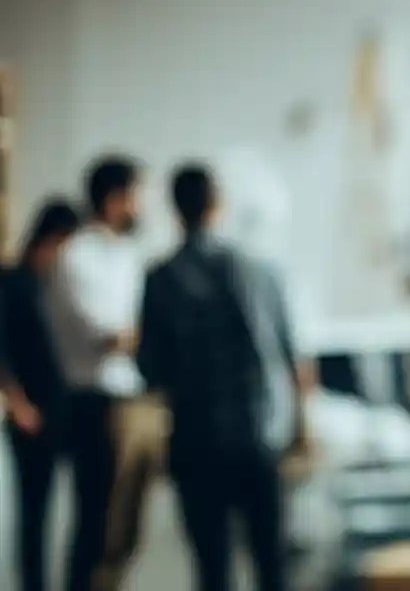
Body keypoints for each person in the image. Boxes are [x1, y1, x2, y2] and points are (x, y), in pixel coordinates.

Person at [136, 164, 302, 591]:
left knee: (212, 570)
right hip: (259, 434)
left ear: (176, 209)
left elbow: (150, 371)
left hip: (195, 440)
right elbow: (290, 356)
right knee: (272, 564)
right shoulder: (262, 272)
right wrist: (301, 426)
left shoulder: (160, 278)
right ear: (218, 204)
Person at [43, 156, 149, 591]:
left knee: (128, 527)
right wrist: (145, 333)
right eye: (138, 197)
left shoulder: (128, 255)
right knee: (96, 521)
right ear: (115, 199)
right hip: (94, 404)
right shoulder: (76, 257)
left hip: (133, 399)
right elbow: (108, 335)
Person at [1, 200, 82, 591]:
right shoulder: (14, 281)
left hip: (64, 406)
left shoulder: (57, 287)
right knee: (34, 512)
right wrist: (17, 404)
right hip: (30, 410)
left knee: (65, 508)